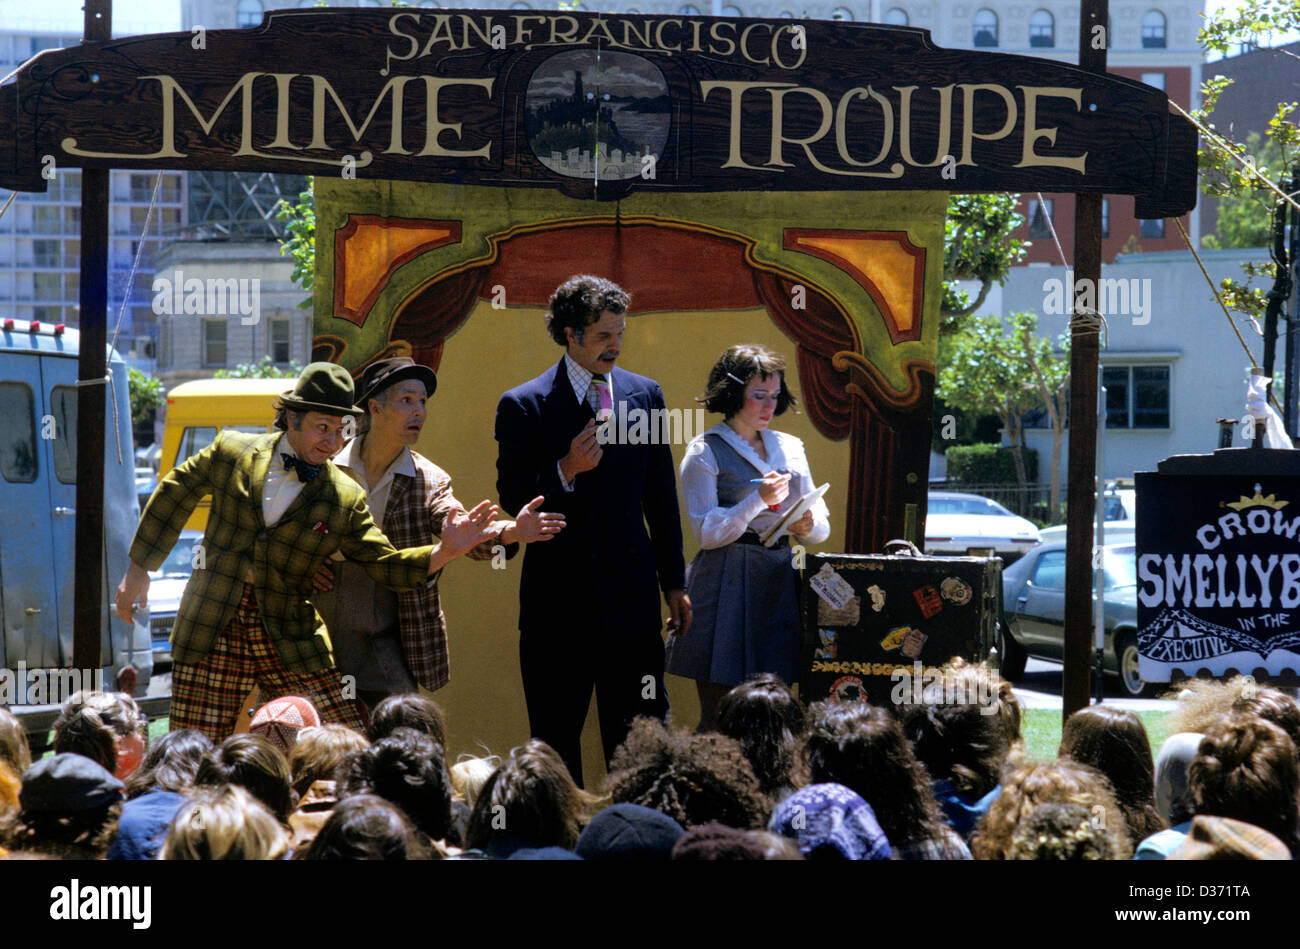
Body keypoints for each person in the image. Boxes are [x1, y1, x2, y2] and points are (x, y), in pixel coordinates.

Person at [114, 362, 500, 742]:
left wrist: (445, 552)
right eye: (322, 428)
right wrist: (139, 570)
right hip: (214, 624)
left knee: (344, 743)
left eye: (339, 431)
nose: (332, 443)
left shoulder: (343, 497)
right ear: (292, 418)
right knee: (192, 750)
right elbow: (175, 492)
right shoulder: (231, 451)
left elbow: (385, 563)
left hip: (289, 634)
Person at [494, 275, 690, 786]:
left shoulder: (644, 395)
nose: (615, 345)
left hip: (631, 607)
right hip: (557, 610)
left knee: (643, 744)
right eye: (603, 335)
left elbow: (661, 498)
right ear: (569, 334)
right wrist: (565, 469)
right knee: (554, 747)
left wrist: (675, 584)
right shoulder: (523, 404)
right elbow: (513, 501)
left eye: (620, 333)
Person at [314, 356, 564, 710]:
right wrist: (304, 563)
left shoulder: (427, 480)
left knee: (405, 732)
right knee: (305, 735)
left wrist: (512, 532)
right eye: (407, 401)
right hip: (315, 622)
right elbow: (280, 522)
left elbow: (463, 528)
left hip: (384, 632)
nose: (419, 412)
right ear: (374, 407)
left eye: (423, 402)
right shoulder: (326, 461)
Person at [666, 344, 829, 731]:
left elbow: (820, 525)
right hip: (725, 581)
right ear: (732, 393)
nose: (769, 405)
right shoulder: (704, 450)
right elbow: (706, 532)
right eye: (759, 396)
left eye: (774, 396)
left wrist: (807, 526)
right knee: (721, 715)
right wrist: (758, 500)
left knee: (775, 713)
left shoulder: (789, 446)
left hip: (776, 578)